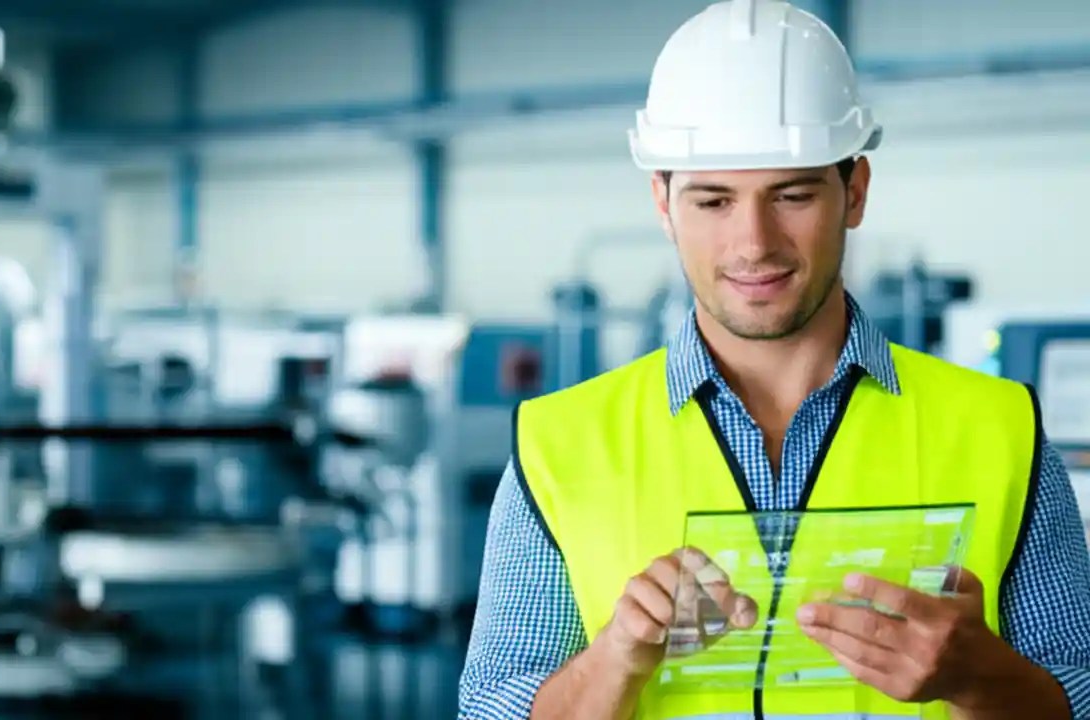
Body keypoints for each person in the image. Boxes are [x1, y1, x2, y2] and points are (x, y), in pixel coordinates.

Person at [457, 1, 1090, 718]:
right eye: (714, 201)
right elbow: (490, 708)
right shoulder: (558, 444)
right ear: (662, 203)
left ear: (855, 192)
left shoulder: (999, 429)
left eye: (790, 195)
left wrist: (980, 679)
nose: (753, 242)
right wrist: (614, 660)